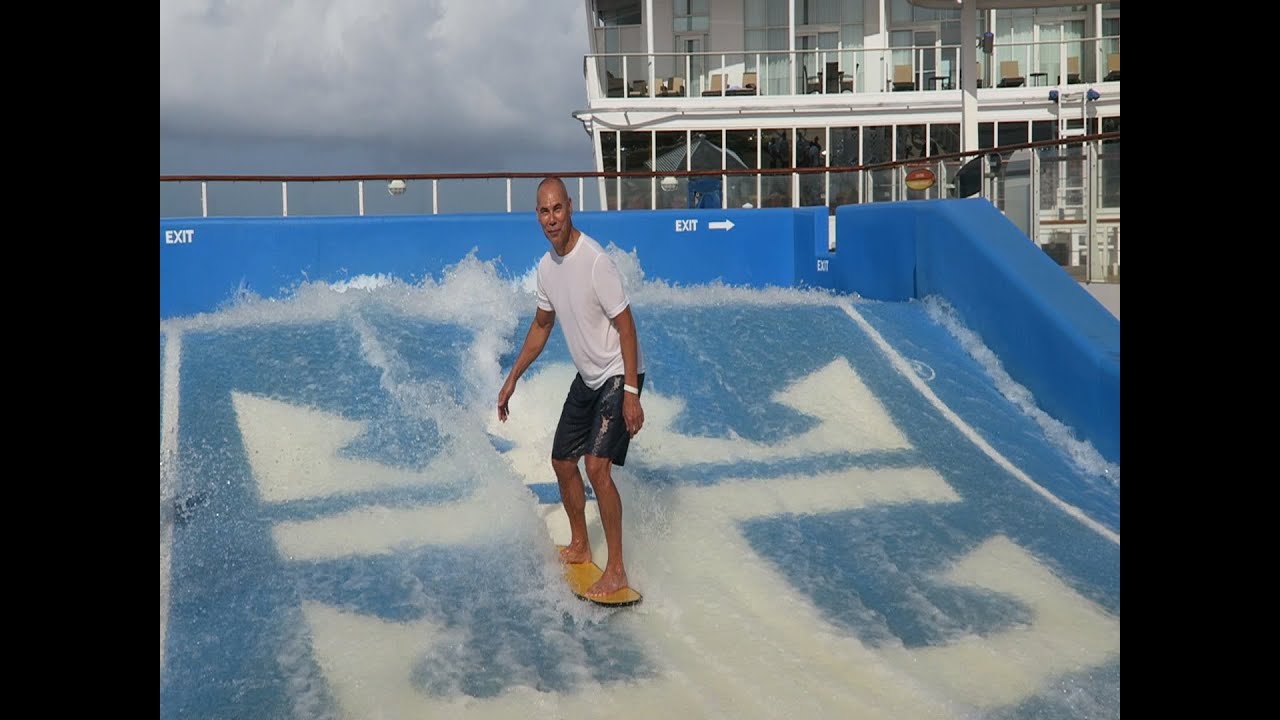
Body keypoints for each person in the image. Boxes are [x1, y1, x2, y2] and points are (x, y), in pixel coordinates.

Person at [497, 177, 646, 598]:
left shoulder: (596, 261)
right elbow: (542, 326)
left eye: (557, 209)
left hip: (620, 372)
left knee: (597, 467)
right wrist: (512, 379)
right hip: (589, 378)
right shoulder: (546, 268)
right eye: (543, 212)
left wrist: (632, 393)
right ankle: (581, 545)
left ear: (571, 206)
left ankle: (616, 568)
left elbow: (627, 326)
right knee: (563, 462)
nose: (551, 219)